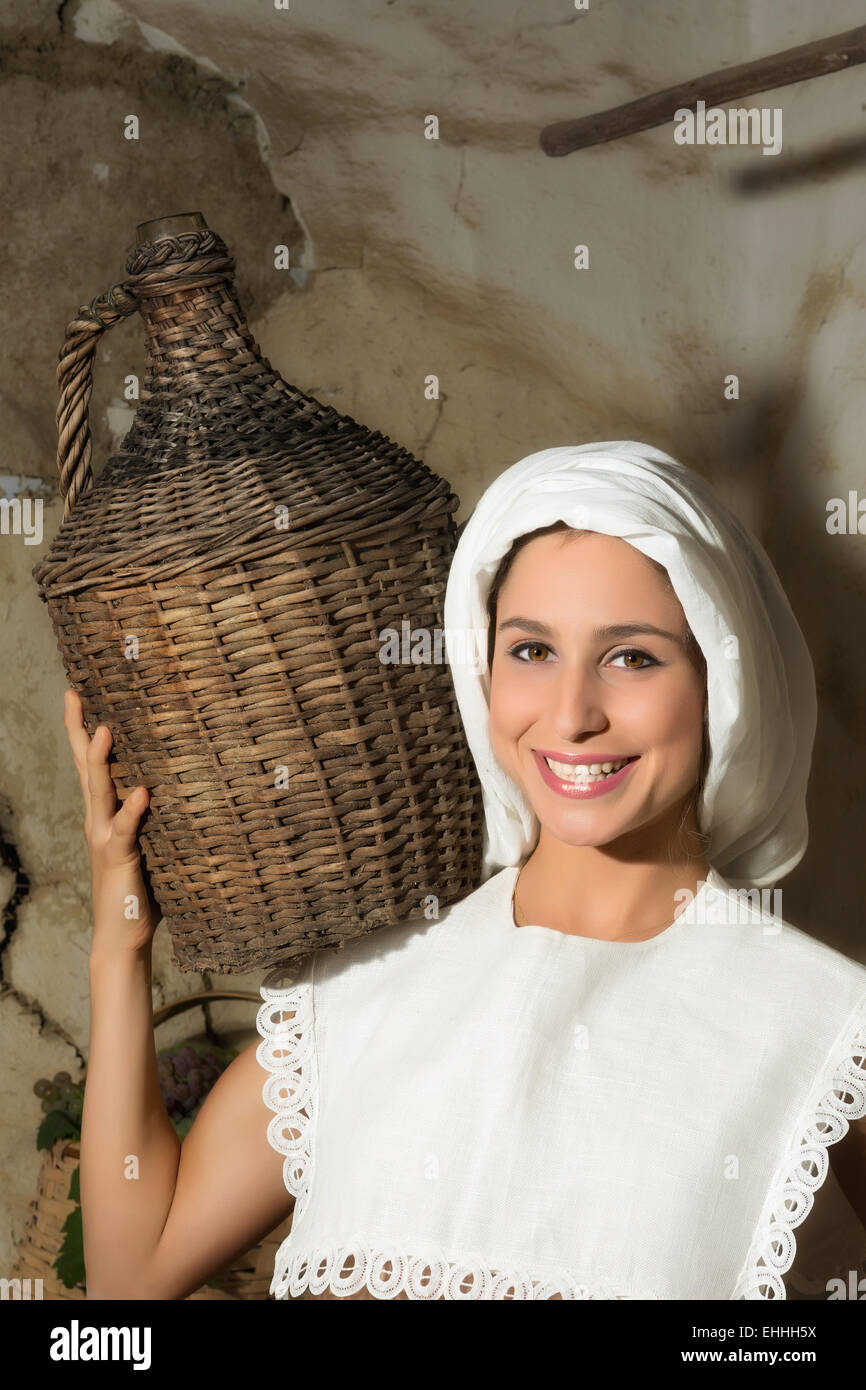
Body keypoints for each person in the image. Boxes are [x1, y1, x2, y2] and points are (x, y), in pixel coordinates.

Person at [67, 441, 866, 1301]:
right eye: (531, 651)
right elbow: (129, 1275)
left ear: (721, 679)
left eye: (631, 656)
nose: (571, 713)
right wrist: (121, 939)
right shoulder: (368, 985)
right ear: (483, 671)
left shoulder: (817, 1023)